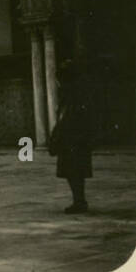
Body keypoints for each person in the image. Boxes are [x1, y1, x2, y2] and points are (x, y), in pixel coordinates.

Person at [49, 60, 94, 214]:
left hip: (73, 141)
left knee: (74, 172)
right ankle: (79, 200)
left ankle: (79, 201)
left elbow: (70, 119)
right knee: (73, 172)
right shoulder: (70, 96)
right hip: (71, 141)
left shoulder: (74, 97)